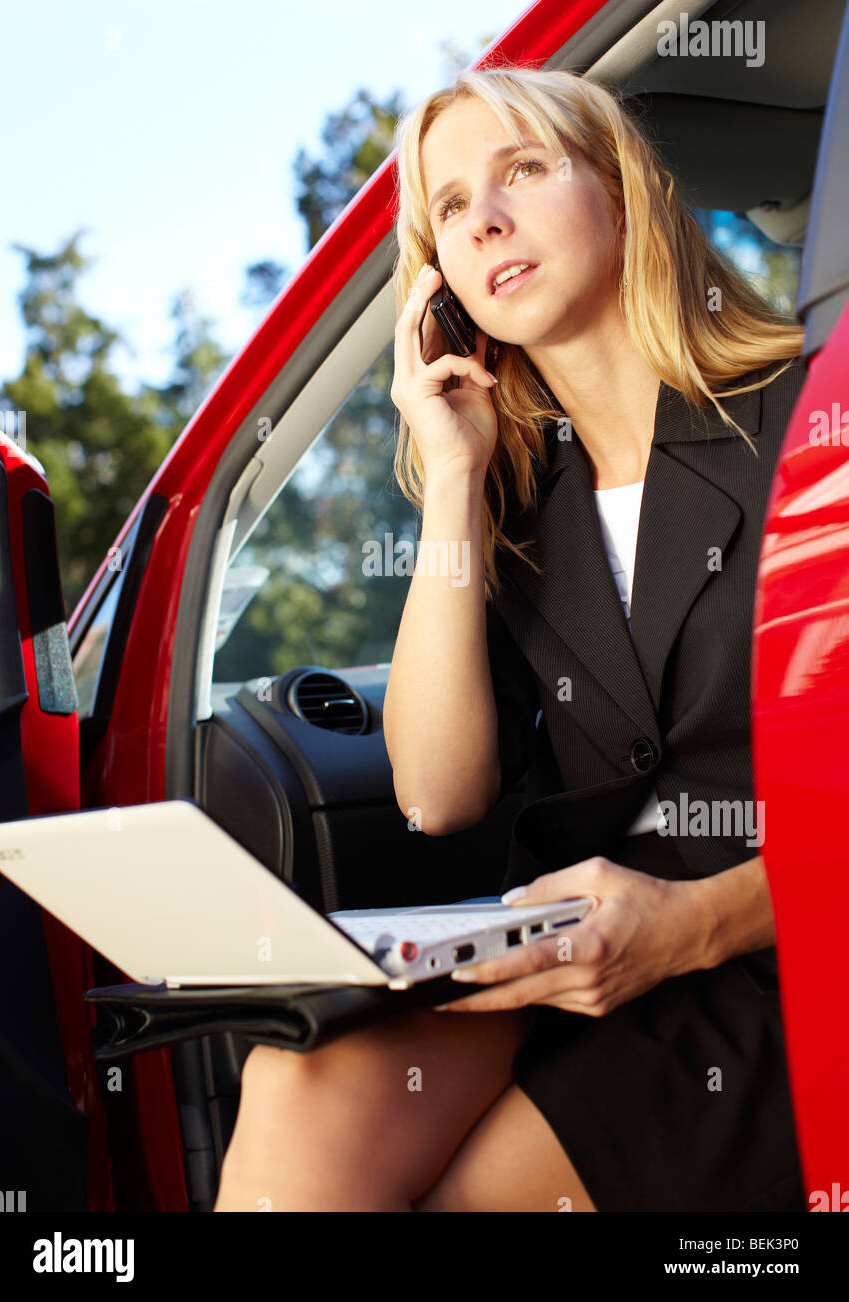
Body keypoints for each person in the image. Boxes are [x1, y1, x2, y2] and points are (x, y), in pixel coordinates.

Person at [213, 66, 807, 1213]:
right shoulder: (522, 509)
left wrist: (686, 927)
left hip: (763, 950)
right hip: (578, 957)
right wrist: (450, 479)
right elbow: (435, 792)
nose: (481, 217)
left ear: (623, 193)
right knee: (297, 1081)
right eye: (447, 206)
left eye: (522, 169)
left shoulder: (808, 416)